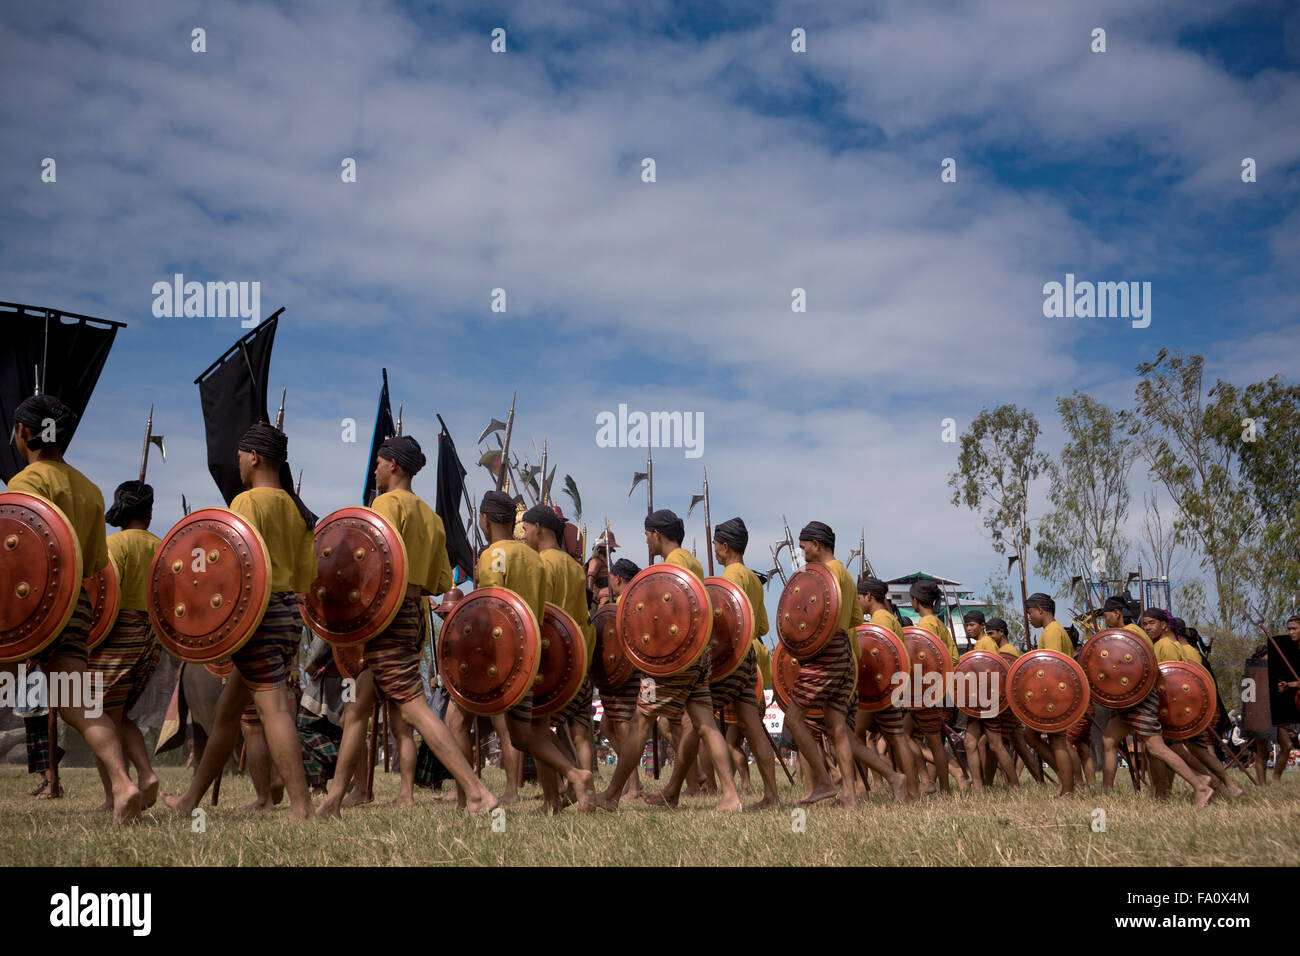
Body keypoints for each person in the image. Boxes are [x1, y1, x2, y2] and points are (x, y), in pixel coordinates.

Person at [319, 436, 497, 817]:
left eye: (380, 463)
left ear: (394, 465)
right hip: (412, 612)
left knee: (415, 707)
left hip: (388, 613)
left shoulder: (384, 505)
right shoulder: (431, 518)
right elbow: (438, 583)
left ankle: (477, 791)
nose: (377, 470)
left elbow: (371, 566)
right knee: (358, 707)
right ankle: (334, 799)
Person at [164, 422, 318, 819]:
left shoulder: (247, 504)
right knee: (227, 716)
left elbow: (230, 572)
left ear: (255, 457)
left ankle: (302, 807)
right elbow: (305, 579)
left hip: (260, 617)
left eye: (239, 456)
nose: (237, 463)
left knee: (274, 712)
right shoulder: (298, 509)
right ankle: (188, 802)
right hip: (286, 616)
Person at [4, 395, 143, 823]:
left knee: (42, 694)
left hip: (29, 607)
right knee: (76, 698)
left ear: (26, 432)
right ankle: (123, 784)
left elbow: (17, 556)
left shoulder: (24, 483)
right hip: (76, 604)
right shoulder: (91, 490)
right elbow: (97, 564)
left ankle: (118, 785)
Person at [594, 510, 742, 812]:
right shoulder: (694, 562)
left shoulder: (671, 566)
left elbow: (667, 620)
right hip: (699, 657)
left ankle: (610, 795)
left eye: (647, 535)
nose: (645, 540)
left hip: (673, 659)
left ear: (657, 534)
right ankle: (729, 795)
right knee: (704, 723)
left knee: (640, 720)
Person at [467, 490, 596, 811]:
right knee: (548, 731)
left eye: (528, 528)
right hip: (558, 654)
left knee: (531, 728)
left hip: (518, 655)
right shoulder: (556, 565)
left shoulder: (512, 557)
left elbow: (495, 607)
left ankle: (475, 795)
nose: (525, 533)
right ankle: (564, 791)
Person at [89, 480, 163, 811]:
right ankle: (145, 775)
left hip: (118, 634)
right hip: (151, 639)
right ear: (149, 513)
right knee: (118, 716)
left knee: (97, 717)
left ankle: (114, 794)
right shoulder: (162, 547)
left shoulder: (113, 545)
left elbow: (103, 598)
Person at [521, 503, 597, 811]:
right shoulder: (574, 568)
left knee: (538, 728)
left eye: (525, 529)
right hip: (578, 655)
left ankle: (553, 798)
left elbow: (536, 616)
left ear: (539, 528)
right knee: (580, 730)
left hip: (550, 660)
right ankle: (587, 798)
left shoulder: (539, 565)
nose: (523, 535)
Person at [1096, 607, 1212, 806]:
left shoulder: (1132, 633)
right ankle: (1107, 793)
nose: (1104, 619)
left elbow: (1135, 669)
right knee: (1109, 739)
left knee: (1157, 749)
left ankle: (1200, 784)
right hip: (1129, 702)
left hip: (1141, 700)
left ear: (1116, 613)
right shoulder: (1130, 632)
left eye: (1105, 614)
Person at [856, 575, 920, 798]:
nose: (858, 602)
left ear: (868, 597)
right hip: (889, 687)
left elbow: (879, 657)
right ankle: (911, 790)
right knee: (896, 736)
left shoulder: (880, 620)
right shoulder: (890, 618)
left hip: (879, 688)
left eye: (859, 597)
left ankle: (862, 788)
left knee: (853, 735)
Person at [909, 580, 966, 794]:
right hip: (940, 689)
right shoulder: (940, 624)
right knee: (913, 735)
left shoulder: (925, 625)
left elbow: (923, 661)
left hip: (928, 690)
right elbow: (952, 658)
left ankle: (948, 781)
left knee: (927, 740)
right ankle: (930, 783)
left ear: (915, 600)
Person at [599, 558, 645, 800]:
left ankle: (635, 785)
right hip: (624, 673)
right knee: (608, 725)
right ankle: (630, 778)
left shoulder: (626, 603)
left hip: (626, 673)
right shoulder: (633, 600)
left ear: (617, 578)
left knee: (625, 727)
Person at [956, 609, 1017, 792]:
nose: (968, 629)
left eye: (972, 625)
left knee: (996, 745)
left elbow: (994, 671)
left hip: (988, 701)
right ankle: (978, 787)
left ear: (982, 625)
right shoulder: (978, 645)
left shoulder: (988, 643)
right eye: (966, 625)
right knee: (970, 743)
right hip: (976, 703)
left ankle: (1015, 785)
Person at [1024, 593, 1075, 797]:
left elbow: (1051, 667)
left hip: (1055, 695)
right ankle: (1065, 780)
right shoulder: (1052, 630)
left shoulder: (1052, 632)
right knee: (1031, 735)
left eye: (1030, 613)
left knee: (1057, 742)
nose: (1029, 618)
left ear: (1040, 610)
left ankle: (1068, 788)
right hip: (1055, 694)